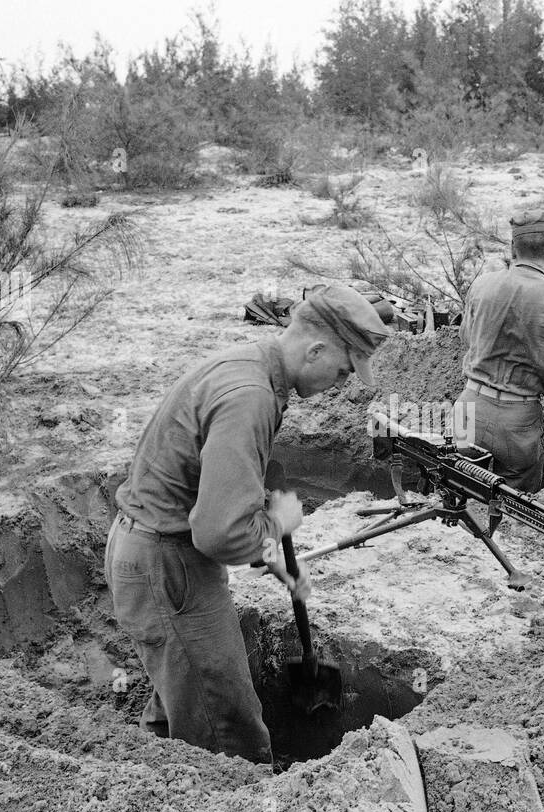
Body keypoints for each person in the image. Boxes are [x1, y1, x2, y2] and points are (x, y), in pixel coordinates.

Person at [106, 286, 392, 764]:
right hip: (168, 566)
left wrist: (274, 560)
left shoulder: (251, 363)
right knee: (227, 730)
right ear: (316, 349)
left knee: (186, 697)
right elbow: (219, 532)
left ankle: (162, 784)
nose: (342, 383)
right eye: (343, 370)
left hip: (157, 552)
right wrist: (275, 524)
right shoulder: (251, 397)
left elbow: (213, 486)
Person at [457, 209, 544, 492]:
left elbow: (467, 339)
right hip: (518, 421)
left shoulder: (482, 284)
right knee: (512, 512)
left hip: (467, 410)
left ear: (512, 249)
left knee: (456, 498)